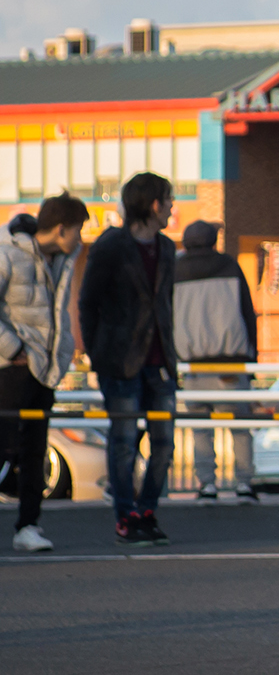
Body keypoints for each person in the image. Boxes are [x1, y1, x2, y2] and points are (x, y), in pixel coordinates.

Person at [79, 173, 179, 546]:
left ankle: (147, 509)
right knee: (123, 441)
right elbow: (88, 302)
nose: (171, 207)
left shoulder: (167, 248)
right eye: (168, 200)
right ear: (154, 204)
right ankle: (126, 516)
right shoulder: (111, 245)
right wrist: (97, 353)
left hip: (161, 361)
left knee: (164, 441)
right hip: (119, 361)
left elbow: (165, 305)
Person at [0, 195, 87, 551]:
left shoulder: (63, 258)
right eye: (79, 230)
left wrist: (62, 354)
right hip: (9, 369)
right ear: (62, 228)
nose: (81, 238)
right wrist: (13, 349)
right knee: (3, 448)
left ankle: (28, 527)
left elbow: (57, 314)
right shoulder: (8, 252)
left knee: (35, 450)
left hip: (44, 370)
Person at [174, 220, 259, 502]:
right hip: (231, 362)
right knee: (240, 426)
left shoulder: (176, 271)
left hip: (192, 363)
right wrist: (252, 359)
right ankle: (244, 483)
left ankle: (206, 484)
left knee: (200, 426)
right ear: (213, 241)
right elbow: (247, 313)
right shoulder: (230, 266)